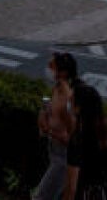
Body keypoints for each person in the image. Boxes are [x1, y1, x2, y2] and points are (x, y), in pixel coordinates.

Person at [33, 52, 80, 200]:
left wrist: (49, 131)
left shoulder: (68, 97)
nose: (48, 69)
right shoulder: (57, 88)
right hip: (54, 152)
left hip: (63, 158)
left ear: (63, 72)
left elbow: (73, 139)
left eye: (52, 67)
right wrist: (44, 114)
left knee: (41, 196)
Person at [63, 84, 107, 200]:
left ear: (79, 107)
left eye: (71, 102)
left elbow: (71, 188)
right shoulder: (105, 134)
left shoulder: (77, 140)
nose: (68, 105)